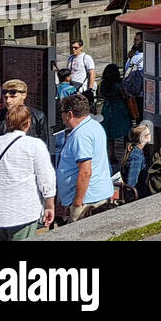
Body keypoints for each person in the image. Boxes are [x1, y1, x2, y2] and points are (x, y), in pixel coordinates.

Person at [0, 105, 56, 240]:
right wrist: (49, 205)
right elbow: (46, 178)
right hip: (22, 212)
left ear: (6, 122)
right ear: (28, 123)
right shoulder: (35, 145)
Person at [54, 92, 114, 223]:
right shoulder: (94, 126)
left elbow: (85, 172)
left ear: (69, 114)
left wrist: (77, 202)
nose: (61, 117)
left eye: (62, 113)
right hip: (97, 194)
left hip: (87, 201)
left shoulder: (80, 136)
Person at [0, 81, 49, 152]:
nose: (8, 101)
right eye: (5, 97)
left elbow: (43, 145)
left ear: (24, 95)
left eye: (13, 97)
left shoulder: (37, 116)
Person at [97, 64, 136, 165]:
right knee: (125, 132)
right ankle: (126, 154)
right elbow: (125, 95)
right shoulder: (118, 84)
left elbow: (99, 95)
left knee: (110, 135)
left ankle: (111, 155)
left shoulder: (102, 84)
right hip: (119, 109)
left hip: (107, 109)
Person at [119, 124, 151, 201]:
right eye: (148, 134)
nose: (150, 135)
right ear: (143, 138)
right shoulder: (136, 157)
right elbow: (131, 183)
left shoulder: (137, 152)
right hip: (137, 196)